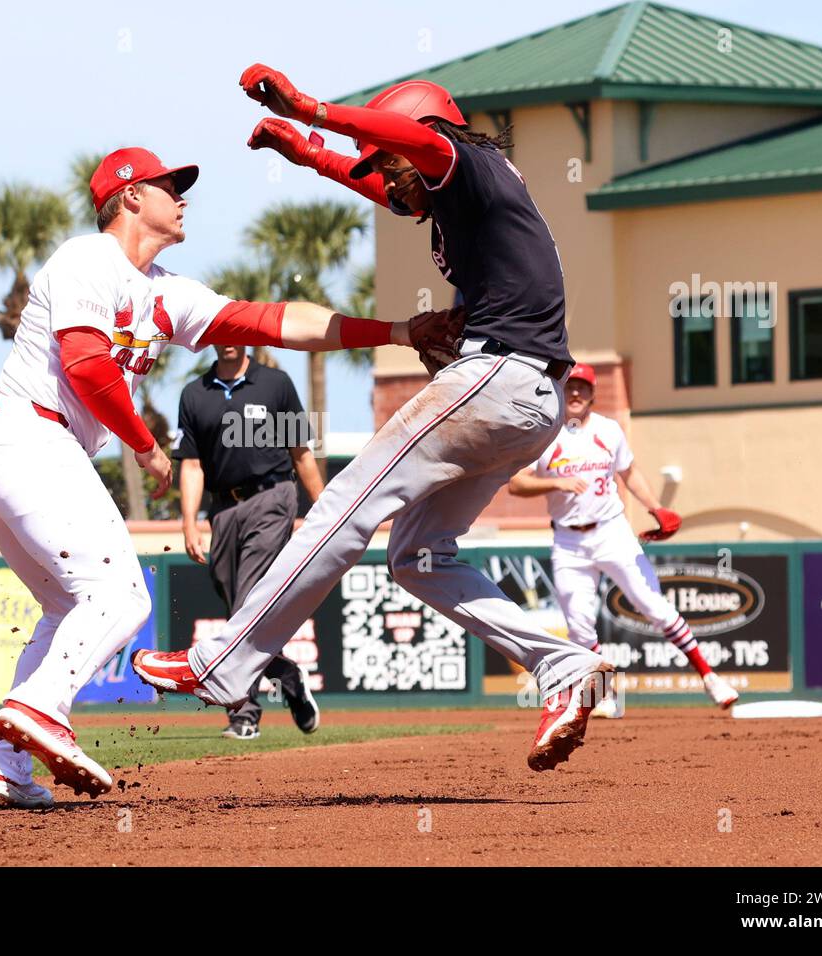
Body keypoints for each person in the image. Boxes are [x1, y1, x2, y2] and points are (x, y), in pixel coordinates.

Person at [133, 66, 616, 773]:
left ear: (427, 141)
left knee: (342, 504)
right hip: (528, 399)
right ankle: (565, 667)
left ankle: (224, 662)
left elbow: (410, 141)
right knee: (417, 557)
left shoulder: (466, 161)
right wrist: (310, 155)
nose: (388, 180)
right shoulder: (466, 198)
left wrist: (313, 110)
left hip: (495, 379)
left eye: (393, 163)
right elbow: (388, 184)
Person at [0, 145, 435, 808]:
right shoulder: (88, 258)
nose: (182, 198)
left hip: (21, 450)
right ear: (129, 197)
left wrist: (397, 330)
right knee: (121, 598)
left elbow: (273, 321)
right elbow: (89, 365)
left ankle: (4, 764)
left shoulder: (167, 292)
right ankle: (40, 710)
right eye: (168, 186)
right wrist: (149, 448)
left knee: (69, 605)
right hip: (24, 435)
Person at [507, 363, 739, 717]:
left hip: (611, 530)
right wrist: (556, 483)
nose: (575, 394)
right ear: (560, 390)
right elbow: (516, 483)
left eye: (582, 388)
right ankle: (607, 696)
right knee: (579, 627)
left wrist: (655, 508)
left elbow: (629, 472)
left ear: (592, 394)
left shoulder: (608, 430)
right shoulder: (547, 435)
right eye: (570, 387)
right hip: (569, 541)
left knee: (653, 606)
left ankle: (710, 677)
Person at [176, 344, 324, 739]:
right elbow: (191, 464)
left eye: (235, 331)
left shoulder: (275, 384)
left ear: (245, 337)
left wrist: (328, 512)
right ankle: (287, 674)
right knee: (236, 610)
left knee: (245, 608)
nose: (228, 338)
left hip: (272, 498)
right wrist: (189, 522)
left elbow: (301, 454)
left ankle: (246, 714)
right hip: (223, 510)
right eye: (220, 331)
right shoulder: (195, 394)